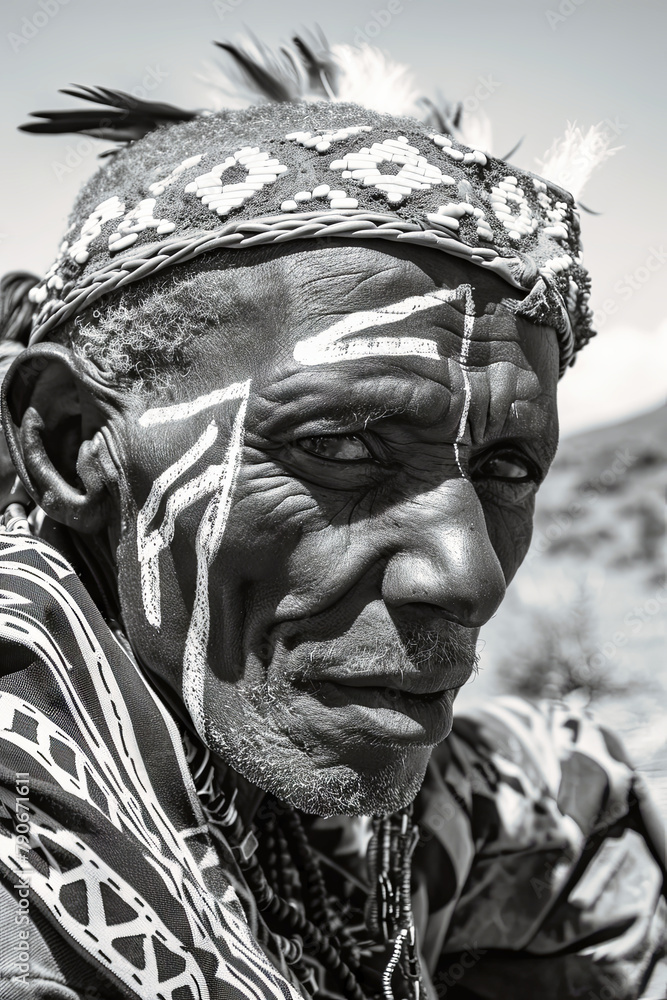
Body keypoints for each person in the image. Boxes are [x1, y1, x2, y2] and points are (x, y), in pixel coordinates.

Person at [0, 34, 664, 1000]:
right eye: (345, 446)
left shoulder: (345, 792)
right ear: (73, 447)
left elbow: (558, 775)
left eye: (506, 466)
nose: (469, 577)